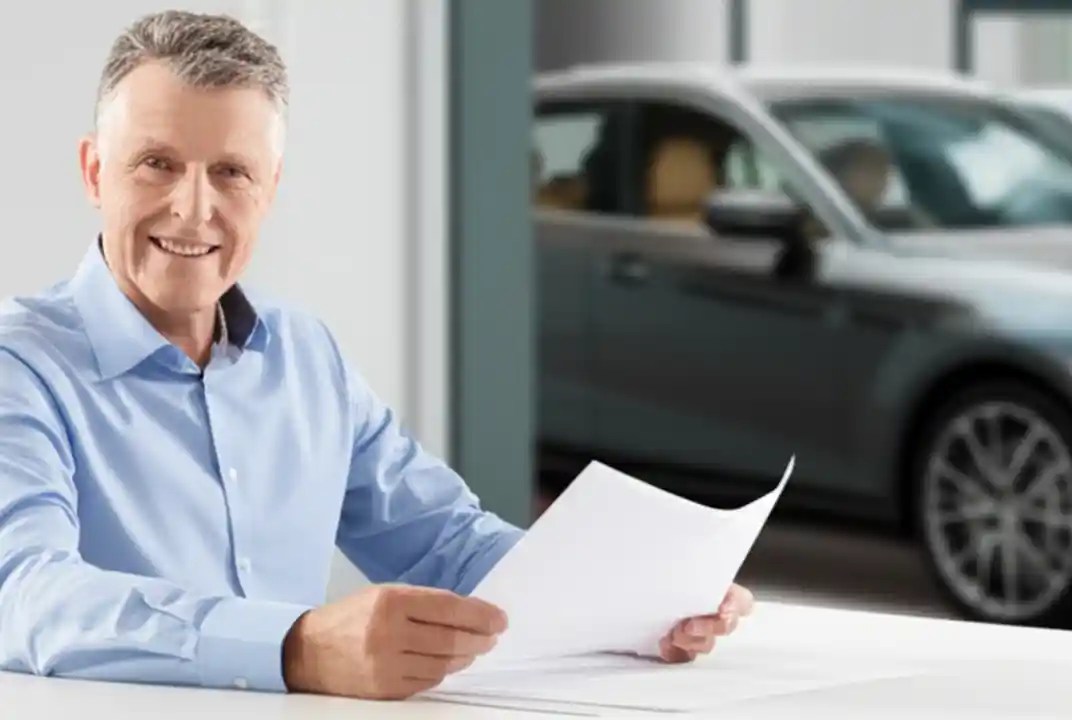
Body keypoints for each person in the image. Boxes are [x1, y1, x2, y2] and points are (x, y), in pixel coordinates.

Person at [0, 11, 753, 701]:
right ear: (94, 172)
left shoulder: (304, 356)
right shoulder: (20, 365)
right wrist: (295, 648)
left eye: (231, 172)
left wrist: (637, 599)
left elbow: (447, 543)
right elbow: (25, 595)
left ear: (269, 188)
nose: (193, 209)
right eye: (156, 164)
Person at [820, 137, 933, 231]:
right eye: (869, 170)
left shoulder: (899, 222)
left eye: (884, 170)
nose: (881, 178)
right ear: (842, 173)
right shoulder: (823, 220)